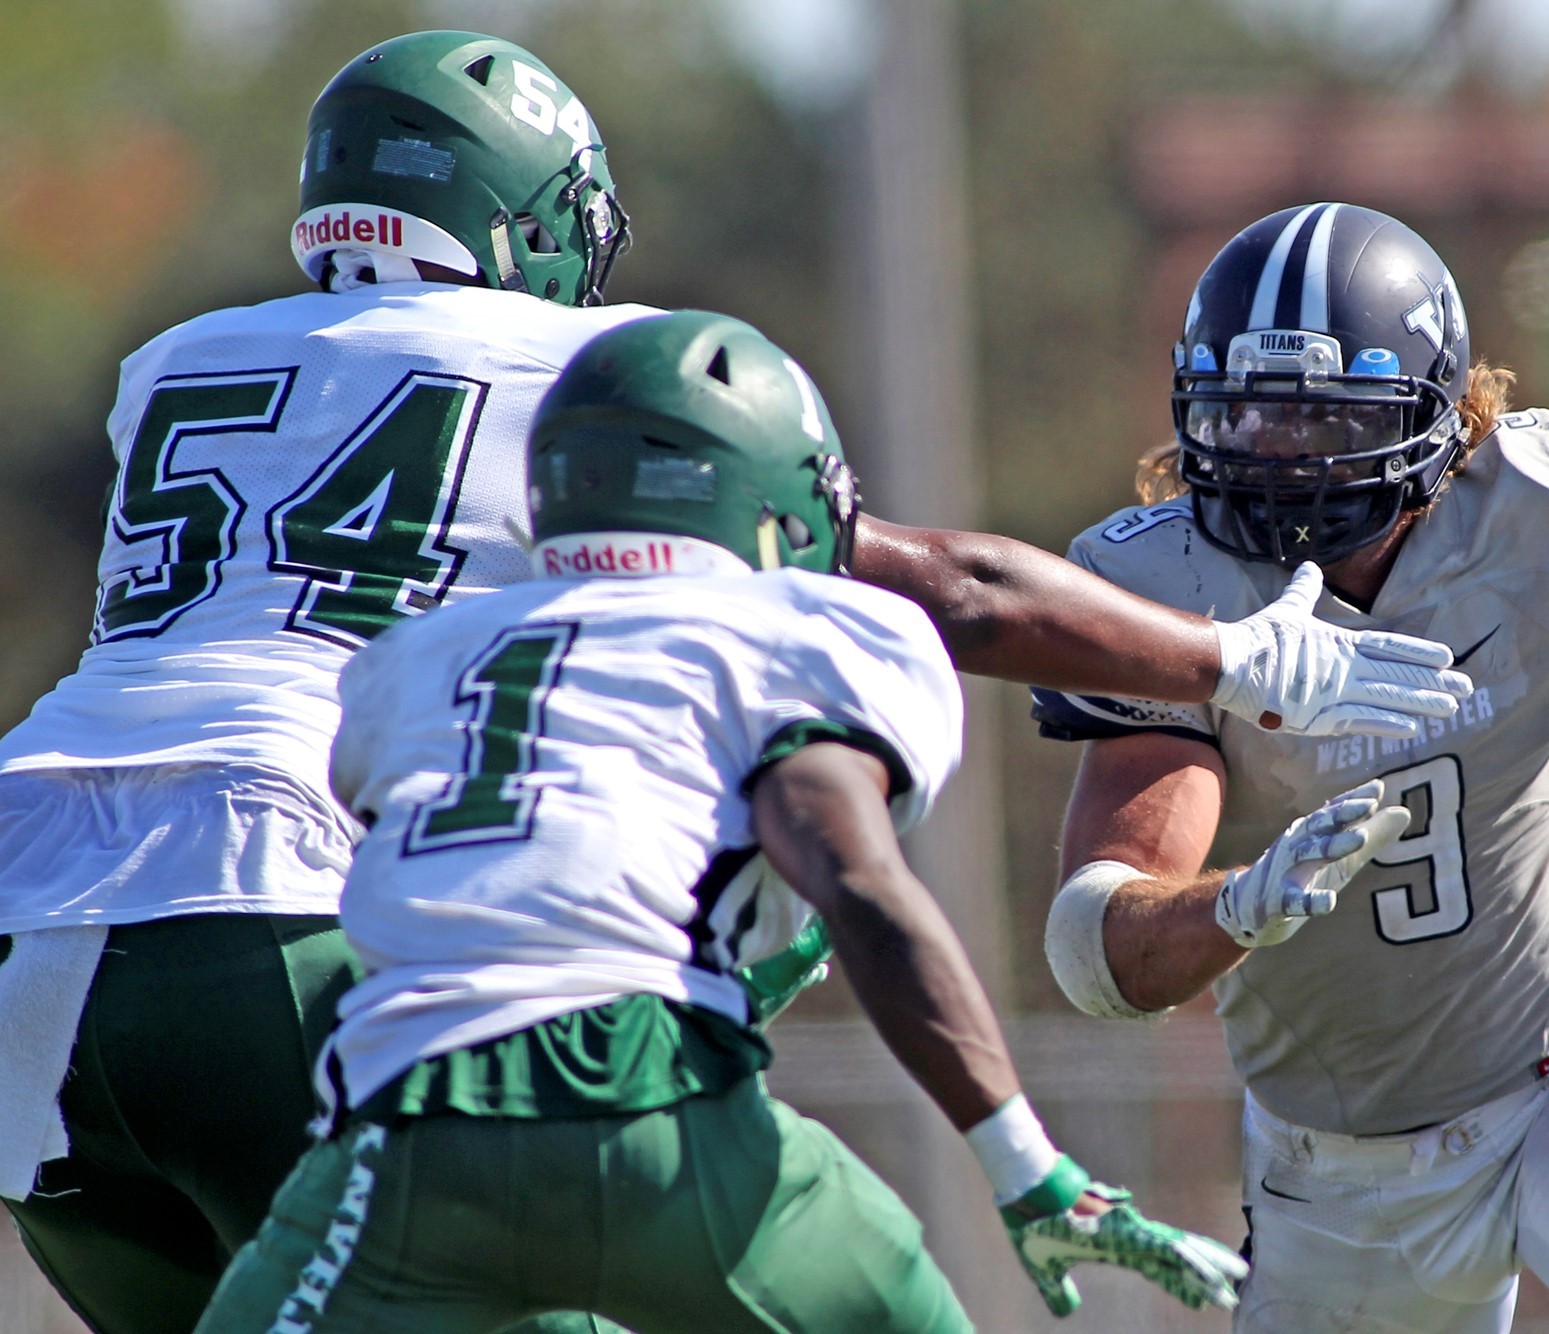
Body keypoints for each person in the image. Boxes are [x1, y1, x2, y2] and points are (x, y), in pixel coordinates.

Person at [0, 35, 1467, 1334]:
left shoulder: (173, 365)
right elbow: (949, 586)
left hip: (26, 926)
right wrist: (1228, 659)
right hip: (278, 907)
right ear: (519, 217)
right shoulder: (574, 370)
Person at [192, 311, 1247, 1332]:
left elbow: (466, 869)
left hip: (409, 1131)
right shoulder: (799, 628)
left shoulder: (413, 655)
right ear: (777, 500)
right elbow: (856, 879)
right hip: (658, 1108)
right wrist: (1030, 1168)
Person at [1033, 202, 1549, 1334]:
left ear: (1432, 414)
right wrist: (1236, 904)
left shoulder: (1531, 505)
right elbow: (1101, 948)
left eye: (1323, 417)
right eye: (1249, 416)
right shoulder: (1160, 589)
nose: (1279, 458)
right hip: (1338, 1175)